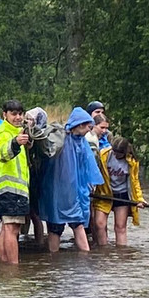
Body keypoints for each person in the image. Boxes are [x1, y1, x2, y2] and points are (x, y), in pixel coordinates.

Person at [36, 107, 103, 253]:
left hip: (74, 193)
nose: (89, 130)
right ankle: (55, 259)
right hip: (57, 191)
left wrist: (89, 185)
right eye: (88, 127)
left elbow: (88, 166)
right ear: (80, 125)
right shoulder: (59, 138)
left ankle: (83, 258)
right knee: (56, 228)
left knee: (77, 224)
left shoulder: (82, 142)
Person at [0, 100, 31, 265]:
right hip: (10, 191)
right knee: (12, 229)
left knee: (7, 228)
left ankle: (5, 267)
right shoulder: (4, 134)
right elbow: (2, 153)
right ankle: (13, 268)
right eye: (14, 114)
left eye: (20, 114)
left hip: (12, 190)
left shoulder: (18, 132)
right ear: (4, 115)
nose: (18, 117)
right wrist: (15, 143)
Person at [92, 135, 145, 246]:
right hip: (104, 193)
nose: (115, 155)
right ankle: (103, 250)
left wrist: (139, 199)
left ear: (125, 152)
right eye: (114, 152)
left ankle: (121, 252)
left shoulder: (132, 161)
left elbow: (135, 182)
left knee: (120, 227)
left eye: (118, 154)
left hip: (122, 195)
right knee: (99, 224)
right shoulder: (104, 155)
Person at [22, 108, 48, 241]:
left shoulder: (42, 136)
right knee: (24, 214)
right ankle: (24, 239)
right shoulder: (23, 133)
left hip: (36, 180)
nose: (26, 122)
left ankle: (39, 243)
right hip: (24, 179)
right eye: (26, 118)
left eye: (30, 119)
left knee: (34, 214)